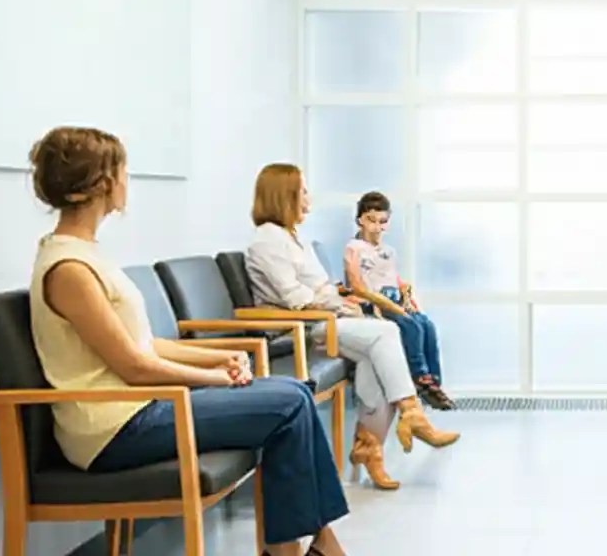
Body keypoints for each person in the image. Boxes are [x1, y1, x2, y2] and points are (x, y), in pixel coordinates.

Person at [26, 127, 349, 556]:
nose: (126, 181)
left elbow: (145, 344)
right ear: (102, 183)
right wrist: (213, 379)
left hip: (144, 408)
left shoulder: (86, 255)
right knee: (289, 403)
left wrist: (221, 360)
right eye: (122, 171)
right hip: (117, 429)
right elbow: (134, 367)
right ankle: (306, 548)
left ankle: (309, 545)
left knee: (295, 393)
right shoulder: (69, 269)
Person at [244, 164, 459, 492]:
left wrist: (339, 299)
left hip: (325, 319)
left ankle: (368, 448)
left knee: (376, 356)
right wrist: (339, 305)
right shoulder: (268, 241)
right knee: (388, 333)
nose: (308, 197)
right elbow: (296, 298)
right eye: (302, 191)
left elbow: (317, 288)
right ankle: (411, 412)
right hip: (303, 330)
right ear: (283, 195)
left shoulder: (290, 238)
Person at [344, 191, 455, 411]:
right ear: (360, 220)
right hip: (373, 301)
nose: (377, 227)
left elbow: (393, 279)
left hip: (393, 298)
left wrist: (405, 292)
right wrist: (386, 305)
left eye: (382, 222)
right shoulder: (354, 248)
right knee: (411, 325)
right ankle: (420, 377)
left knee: (426, 324)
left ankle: (434, 381)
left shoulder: (388, 251)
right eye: (371, 221)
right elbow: (356, 285)